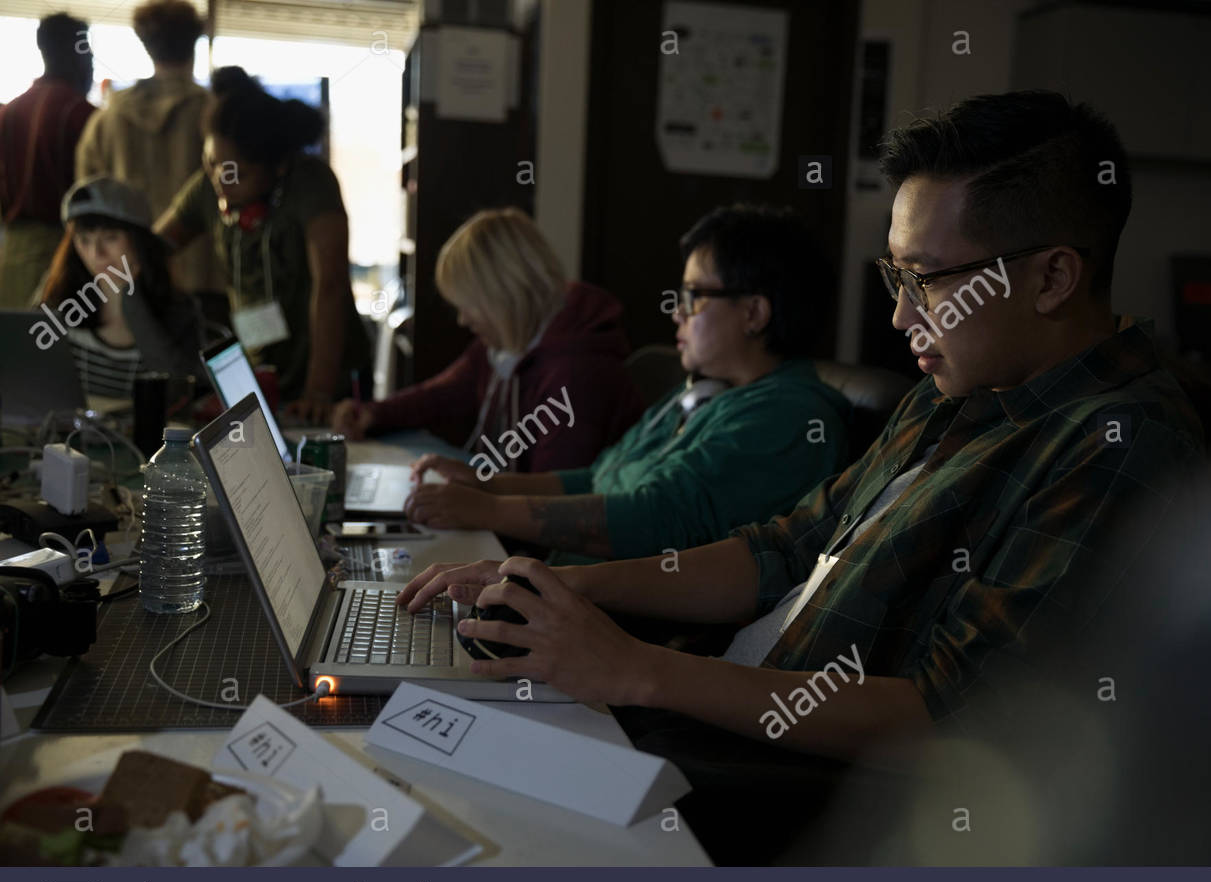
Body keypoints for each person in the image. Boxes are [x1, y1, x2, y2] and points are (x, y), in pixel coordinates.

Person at [397, 92, 1204, 767]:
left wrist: (635, 670)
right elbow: (785, 547)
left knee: (446, 772)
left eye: (927, 280)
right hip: (706, 701)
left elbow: (948, 717)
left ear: (1053, 277)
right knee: (416, 726)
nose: (901, 317)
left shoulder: (1118, 441)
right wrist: (560, 587)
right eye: (896, 277)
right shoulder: (958, 388)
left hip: (777, 783)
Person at [401, 204, 850, 564]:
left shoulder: (788, 419)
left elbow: (655, 519)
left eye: (694, 296)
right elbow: (597, 478)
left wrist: (489, 509)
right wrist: (487, 486)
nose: (676, 311)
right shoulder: (703, 393)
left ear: (753, 313)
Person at [331, 207, 645, 473]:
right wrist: (372, 413)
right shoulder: (507, 343)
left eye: (468, 305)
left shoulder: (576, 373)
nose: (463, 320)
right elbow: (440, 395)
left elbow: (553, 500)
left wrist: (471, 490)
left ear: (500, 297)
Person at [155, 66, 371, 418]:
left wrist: (318, 390)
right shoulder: (211, 184)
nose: (221, 181)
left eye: (237, 172)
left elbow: (330, 284)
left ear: (278, 166)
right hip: (259, 375)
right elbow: (150, 249)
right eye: (212, 164)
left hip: (328, 377)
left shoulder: (312, 183)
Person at [75, 1, 224, 325]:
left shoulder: (106, 121)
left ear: (145, 44)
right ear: (194, 41)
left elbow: (86, 210)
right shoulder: (216, 117)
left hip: (132, 282)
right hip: (206, 281)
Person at [37, 176, 202, 399]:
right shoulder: (61, 292)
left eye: (110, 238)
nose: (96, 253)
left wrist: (131, 298)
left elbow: (178, 385)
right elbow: (29, 364)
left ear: (139, 240)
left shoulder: (179, 308)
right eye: (84, 240)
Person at [0, 13, 95, 307]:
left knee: (16, 333)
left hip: (12, 253)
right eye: (86, 49)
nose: (91, 60)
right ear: (74, 54)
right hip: (64, 255)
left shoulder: (9, 112)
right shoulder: (82, 115)